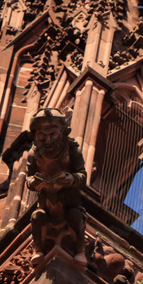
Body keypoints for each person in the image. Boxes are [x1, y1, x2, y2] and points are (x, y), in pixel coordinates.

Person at [25, 108, 87, 265]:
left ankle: (80, 251)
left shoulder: (72, 150)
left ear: (63, 133)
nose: (47, 140)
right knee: (37, 217)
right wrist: (33, 182)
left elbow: (82, 176)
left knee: (75, 216)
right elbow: (29, 177)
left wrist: (71, 179)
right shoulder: (34, 154)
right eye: (42, 135)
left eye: (52, 135)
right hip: (46, 198)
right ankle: (38, 250)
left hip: (69, 197)